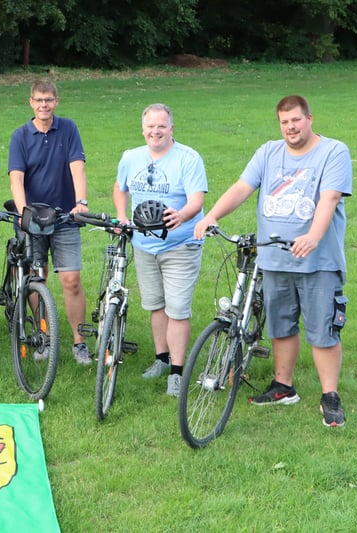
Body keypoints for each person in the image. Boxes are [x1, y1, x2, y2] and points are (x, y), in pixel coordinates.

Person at [194, 95, 351, 427]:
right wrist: (212, 215)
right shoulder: (268, 153)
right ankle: (283, 386)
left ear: (309, 118)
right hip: (274, 259)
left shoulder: (333, 152)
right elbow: (242, 187)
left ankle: (330, 396)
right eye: (284, 122)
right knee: (281, 326)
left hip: (317, 261)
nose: (290, 127)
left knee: (323, 330)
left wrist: (313, 236)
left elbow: (330, 197)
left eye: (296, 120)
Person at [114, 103, 208, 396]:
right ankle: (161, 359)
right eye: (150, 127)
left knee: (177, 309)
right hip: (144, 244)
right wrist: (121, 215)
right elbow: (120, 187)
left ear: (171, 128)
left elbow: (197, 199)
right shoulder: (131, 157)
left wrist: (183, 215)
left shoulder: (188, 159)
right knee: (155, 305)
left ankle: (177, 374)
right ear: (143, 129)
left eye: (162, 126)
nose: (156, 131)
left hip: (181, 244)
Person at [7, 80, 91, 365]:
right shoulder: (20, 135)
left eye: (49, 100)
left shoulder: (68, 129)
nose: (44, 105)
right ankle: (42, 336)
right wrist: (22, 211)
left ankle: (79, 343)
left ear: (56, 102)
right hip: (33, 220)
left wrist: (81, 201)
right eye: (39, 100)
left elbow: (77, 166)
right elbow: (16, 177)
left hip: (65, 216)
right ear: (30, 102)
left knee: (71, 280)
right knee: (36, 278)